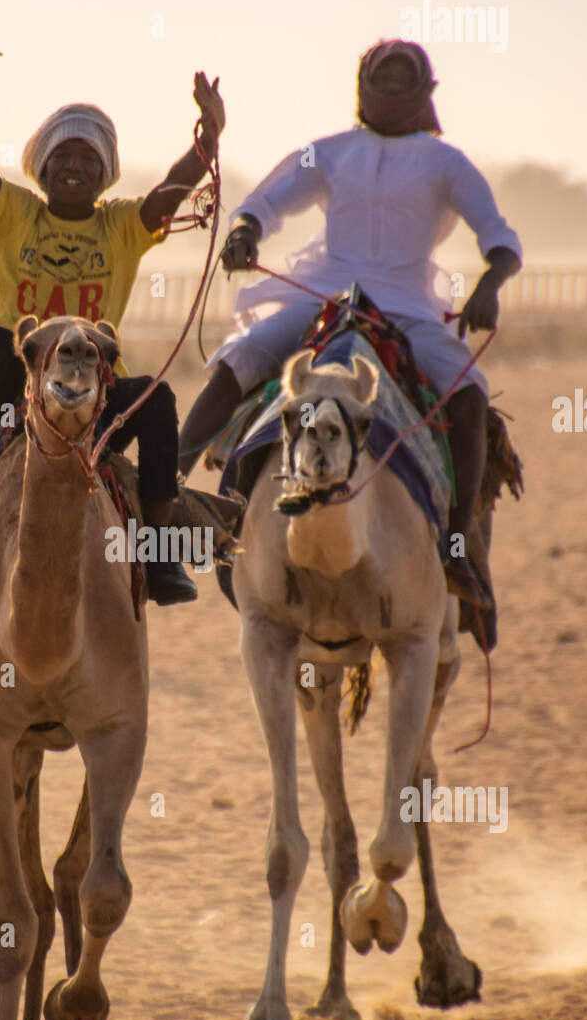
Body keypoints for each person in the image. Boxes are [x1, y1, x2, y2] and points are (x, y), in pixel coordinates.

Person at [0, 0, 225, 605]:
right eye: (61, 155)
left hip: (95, 400)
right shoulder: (9, 212)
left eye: (86, 157)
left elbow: (174, 191)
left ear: (105, 171)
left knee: (159, 395)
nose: (72, 166)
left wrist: (209, 139)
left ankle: (160, 542)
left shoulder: (122, 226)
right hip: (13, 394)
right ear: (40, 166)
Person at [178, 39, 522, 629]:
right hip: (326, 293)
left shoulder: (449, 164)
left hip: (409, 303)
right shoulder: (329, 154)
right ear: (362, 83)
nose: (390, 85)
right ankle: (163, 495)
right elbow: (263, 203)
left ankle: (462, 549)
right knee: (242, 361)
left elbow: (500, 239)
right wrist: (246, 234)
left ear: (423, 88)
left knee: (468, 399)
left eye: (402, 76)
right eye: (380, 75)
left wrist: (490, 282)